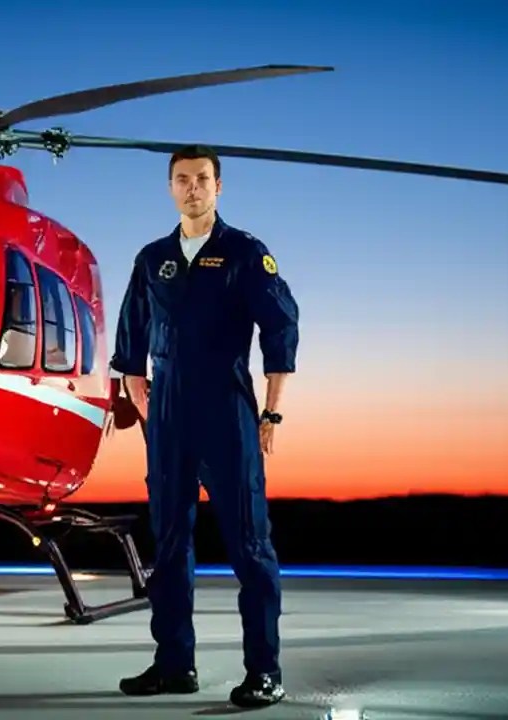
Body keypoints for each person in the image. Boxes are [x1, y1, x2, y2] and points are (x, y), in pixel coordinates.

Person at [110, 144, 299, 708]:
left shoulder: (244, 252)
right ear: (170, 187)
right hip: (168, 416)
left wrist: (272, 410)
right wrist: (148, 406)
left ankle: (264, 671)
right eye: (182, 179)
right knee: (168, 545)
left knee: (249, 543)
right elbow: (129, 347)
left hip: (227, 408)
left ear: (219, 187)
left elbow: (281, 330)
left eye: (202, 179)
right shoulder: (152, 258)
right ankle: (173, 665)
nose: (192, 188)